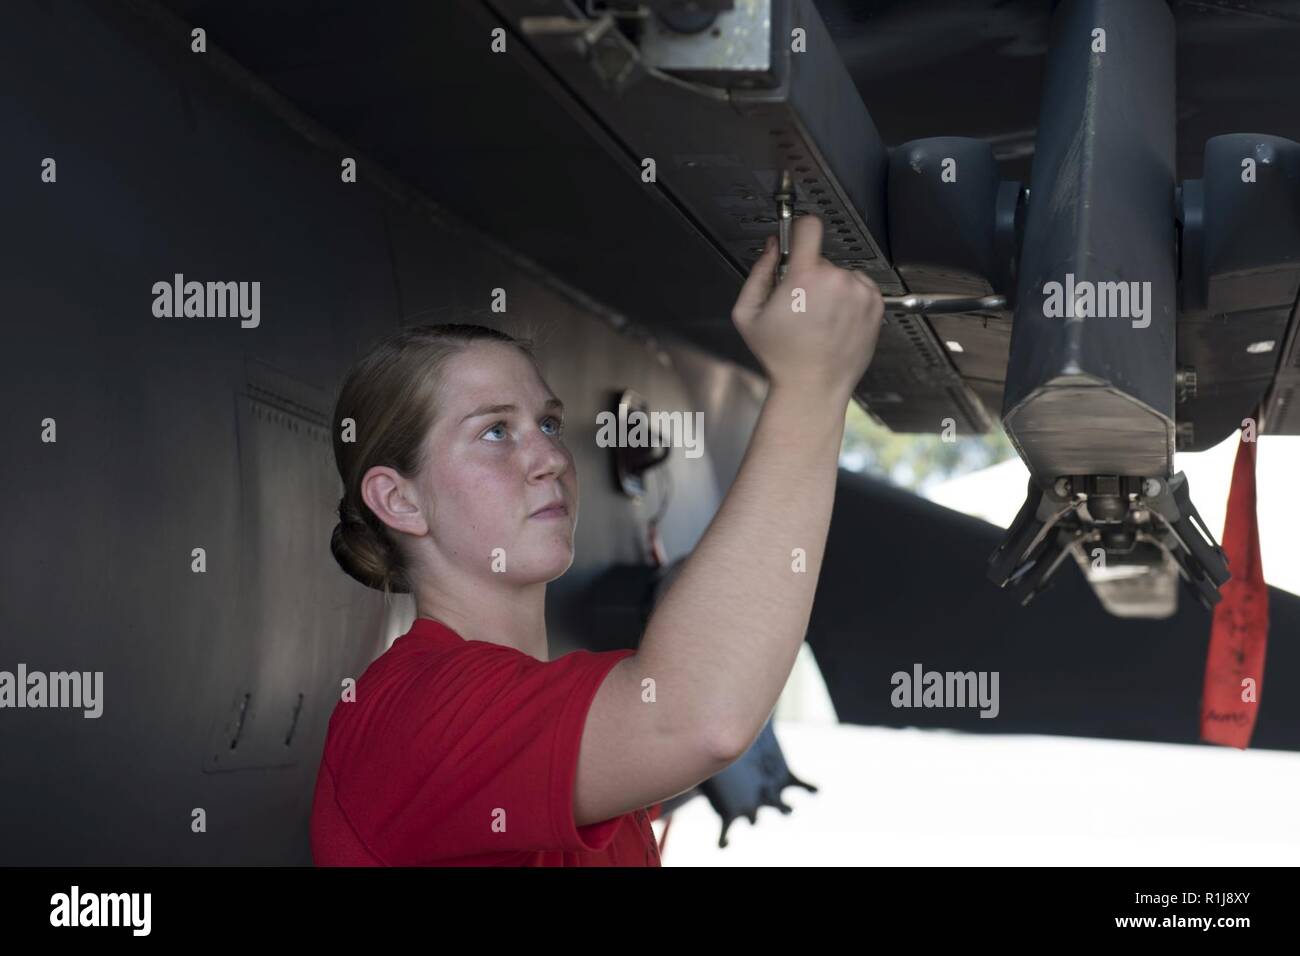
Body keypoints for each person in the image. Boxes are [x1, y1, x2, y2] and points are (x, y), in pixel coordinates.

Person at [309, 214, 884, 865]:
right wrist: (813, 385)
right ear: (399, 499)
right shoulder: (411, 716)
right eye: (495, 432)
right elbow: (700, 721)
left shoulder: (556, 727)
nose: (548, 457)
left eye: (548, 424)